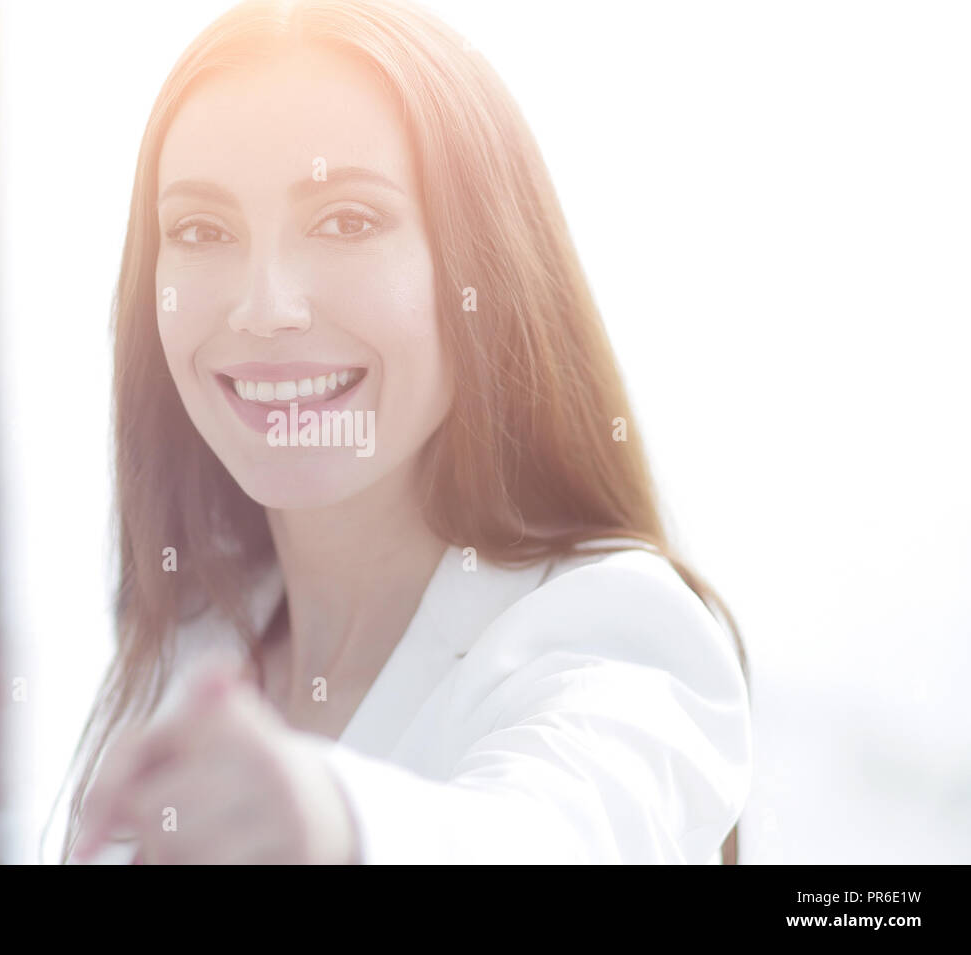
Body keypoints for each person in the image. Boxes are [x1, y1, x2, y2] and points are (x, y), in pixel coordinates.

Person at [45, 0, 753, 865]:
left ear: (480, 268)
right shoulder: (195, 629)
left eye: (347, 220)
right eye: (202, 230)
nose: (265, 307)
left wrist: (333, 824)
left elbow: (551, 836)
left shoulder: (616, 636)